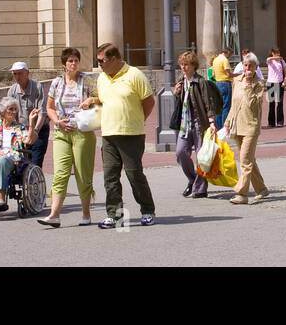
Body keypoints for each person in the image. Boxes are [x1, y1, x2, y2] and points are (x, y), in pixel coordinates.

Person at [85, 44, 156, 227]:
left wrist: (137, 120)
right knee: (110, 177)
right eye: (98, 60)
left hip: (131, 134)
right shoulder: (101, 78)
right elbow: (103, 99)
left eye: (102, 60)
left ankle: (147, 210)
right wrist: (93, 100)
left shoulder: (134, 75)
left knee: (134, 174)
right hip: (108, 133)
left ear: (115, 59)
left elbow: (148, 102)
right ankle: (115, 215)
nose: (99, 63)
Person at [38, 48, 96, 227]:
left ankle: (86, 214)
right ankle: (54, 215)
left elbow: (101, 97)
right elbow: (49, 107)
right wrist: (57, 122)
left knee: (82, 174)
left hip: (82, 132)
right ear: (64, 64)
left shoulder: (87, 80)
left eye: (76, 61)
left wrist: (91, 100)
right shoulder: (56, 83)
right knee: (60, 174)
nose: (73, 64)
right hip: (62, 132)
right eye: (70, 61)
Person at [171, 50, 218, 199]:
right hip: (185, 124)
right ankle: (192, 180)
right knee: (180, 152)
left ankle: (200, 188)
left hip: (200, 123)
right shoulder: (181, 81)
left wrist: (211, 122)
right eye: (181, 65)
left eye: (186, 65)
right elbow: (181, 103)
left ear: (193, 66)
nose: (183, 68)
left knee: (201, 156)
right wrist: (176, 92)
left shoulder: (201, 82)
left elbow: (208, 102)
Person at [226, 53, 270, 204]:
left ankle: (242, 194)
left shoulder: (259, 84)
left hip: (251, 126)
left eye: (251, 65)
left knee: (245, 159)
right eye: (245, 65)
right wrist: (228, 120)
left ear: (256, 68)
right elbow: (234, 102)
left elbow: (254, 105)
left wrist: (249, 84)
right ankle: (262, 189)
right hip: (238, 124)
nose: (247, 68)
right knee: (249, 160)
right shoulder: (237, 80)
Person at [8, 62, 48, 170]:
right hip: (21, 130)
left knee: (35, 163)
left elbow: (42, 112)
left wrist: (34, 131)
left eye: (20, 73)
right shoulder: (12, 90)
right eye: (15, 74)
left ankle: (34, 185)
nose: (17, 77)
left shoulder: (37, 87)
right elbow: (9, 113)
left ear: (27, 73)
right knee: (21, 163)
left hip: (39, 129)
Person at [211, 48, 234, 128]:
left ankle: (219, 126)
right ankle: (225, 126)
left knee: (219, 106)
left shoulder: (215, 60)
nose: (229, 57)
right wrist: (238, 74)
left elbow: (213, 75)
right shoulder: (224, 60)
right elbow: (229, 74)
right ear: (227, 53)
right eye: (230, 55)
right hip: (225, 83)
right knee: (226, 106)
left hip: (217, 83)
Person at [266, 47, 286, 127]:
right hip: (271, 83)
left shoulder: (282, 61)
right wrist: (276, 57)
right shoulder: (270, 60)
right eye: (276, 52)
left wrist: (285, 80)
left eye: (279, 52)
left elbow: (285, 71)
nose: (278, 54)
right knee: (271, 103)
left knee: (280, 103)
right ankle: (271, 122)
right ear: (272, 53)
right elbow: (268, 59)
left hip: (280, 83)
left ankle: (280, 122)